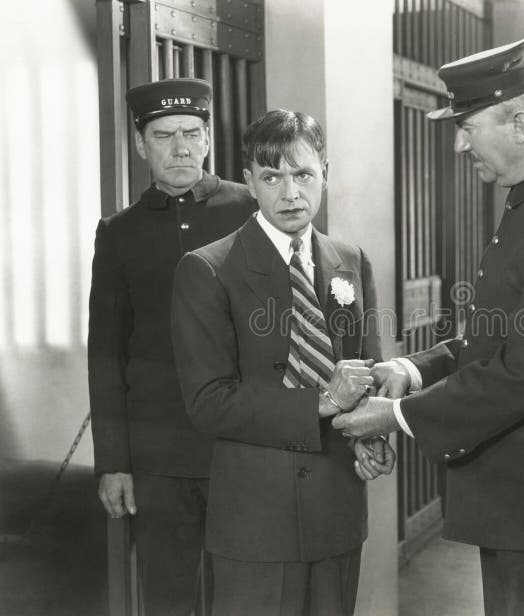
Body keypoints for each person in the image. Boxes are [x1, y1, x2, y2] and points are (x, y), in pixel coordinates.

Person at [333, 35, 524, 615]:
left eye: (467, 126)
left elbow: (523, 372)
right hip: (523, 505)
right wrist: (412, 368)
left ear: (520, 122)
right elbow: (496, 335)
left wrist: (395, 414)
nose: (458, 144)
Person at [170, 109, 396, 616]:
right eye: (271, 177)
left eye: (302, 174)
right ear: (249, 181)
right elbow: (208, 403)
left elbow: (367, 371)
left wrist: (370, 434)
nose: (290, 193)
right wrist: (322, 401)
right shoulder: (209, 269)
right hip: (256, 523)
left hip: (337, 512)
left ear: (325, 173)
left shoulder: (350, 260)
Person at [88, 78, 257, 615]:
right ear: (142, 144)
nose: (180, 147)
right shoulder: (118, 233)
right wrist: (113, 461)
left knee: (244, 595)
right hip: (157, 454)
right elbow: (106, 354)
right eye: (164, 135)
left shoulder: (251, 209)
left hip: (242, 444)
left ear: (208, 140)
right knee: (167, 598)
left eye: (192, 133)